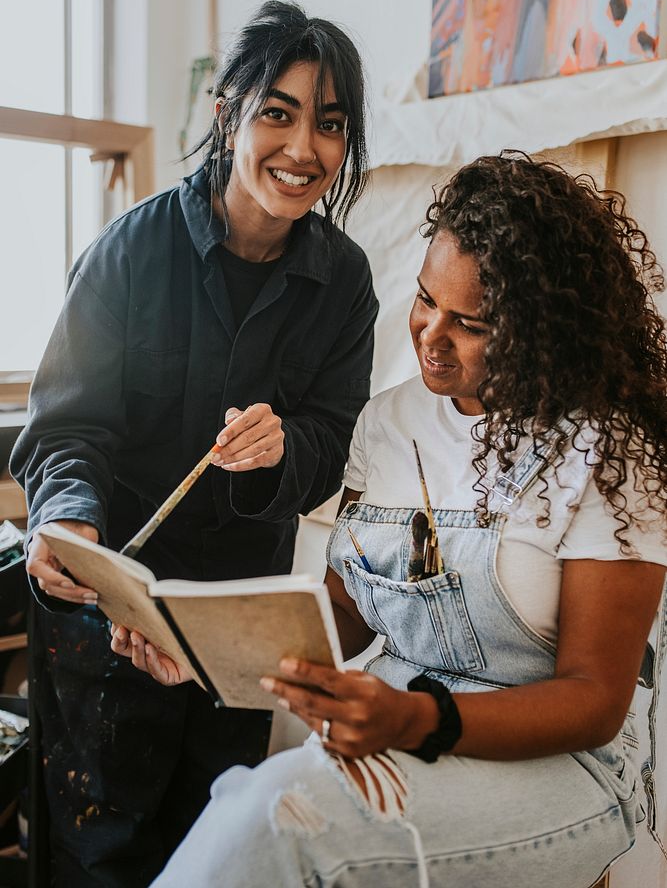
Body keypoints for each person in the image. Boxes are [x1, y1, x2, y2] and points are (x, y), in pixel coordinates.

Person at [118, 152, 667, 888]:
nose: (428, 336)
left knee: (279, 824)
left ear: (545, 330)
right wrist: (208, 653)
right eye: (423, 299)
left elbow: (595, 702)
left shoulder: (606, 451)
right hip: (395, 720)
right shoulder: (389, 421)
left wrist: (414, 719)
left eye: (468, 323)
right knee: (243, 801)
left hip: (555, 769)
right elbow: (344, 611)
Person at [10, 0, 378, 887]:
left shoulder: (344, 281)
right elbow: (66, 429)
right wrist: (70, 528)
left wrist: (285, 446)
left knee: (218, 851)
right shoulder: (130, 254)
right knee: (101, 860)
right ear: (228, 116)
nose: (303, 150)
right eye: (277, 114)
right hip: (108, 621)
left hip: (231, 633)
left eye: (329, 126)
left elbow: (333, 440)